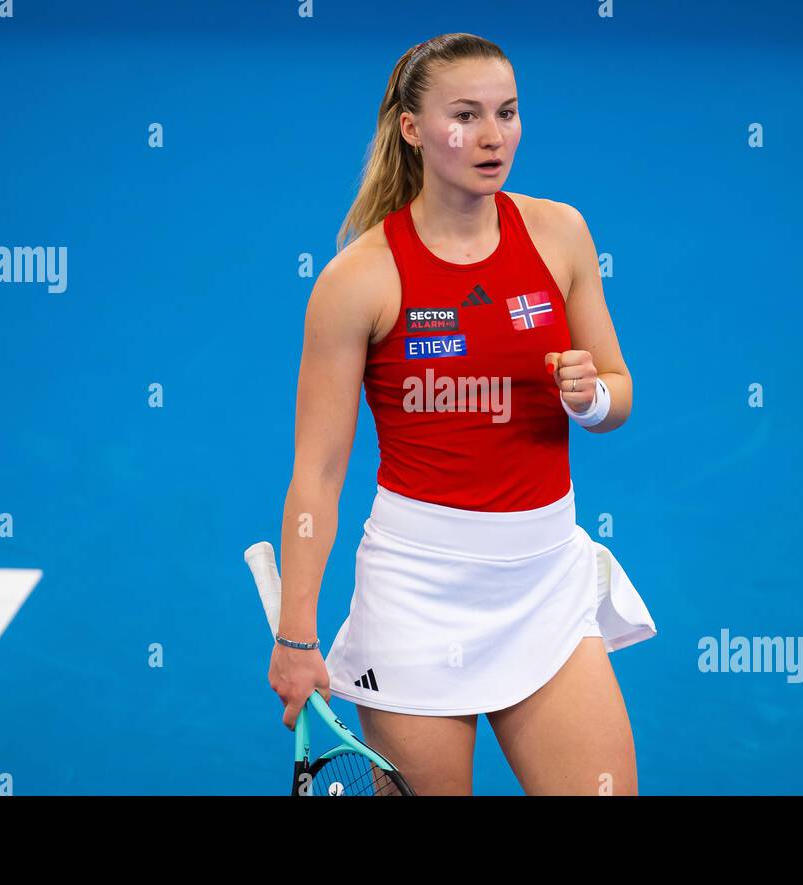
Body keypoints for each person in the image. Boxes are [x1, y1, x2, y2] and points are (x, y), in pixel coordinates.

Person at [269, 32, 656, 795]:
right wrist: (296, 635)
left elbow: (618, 392)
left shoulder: (560, 233)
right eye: (467, 115)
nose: (492, 136)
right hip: (417, 599)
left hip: (547, 586)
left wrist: (592, 396)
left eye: (507, 113)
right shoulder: (359, 280)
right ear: (412, 129)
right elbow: (315, 473)